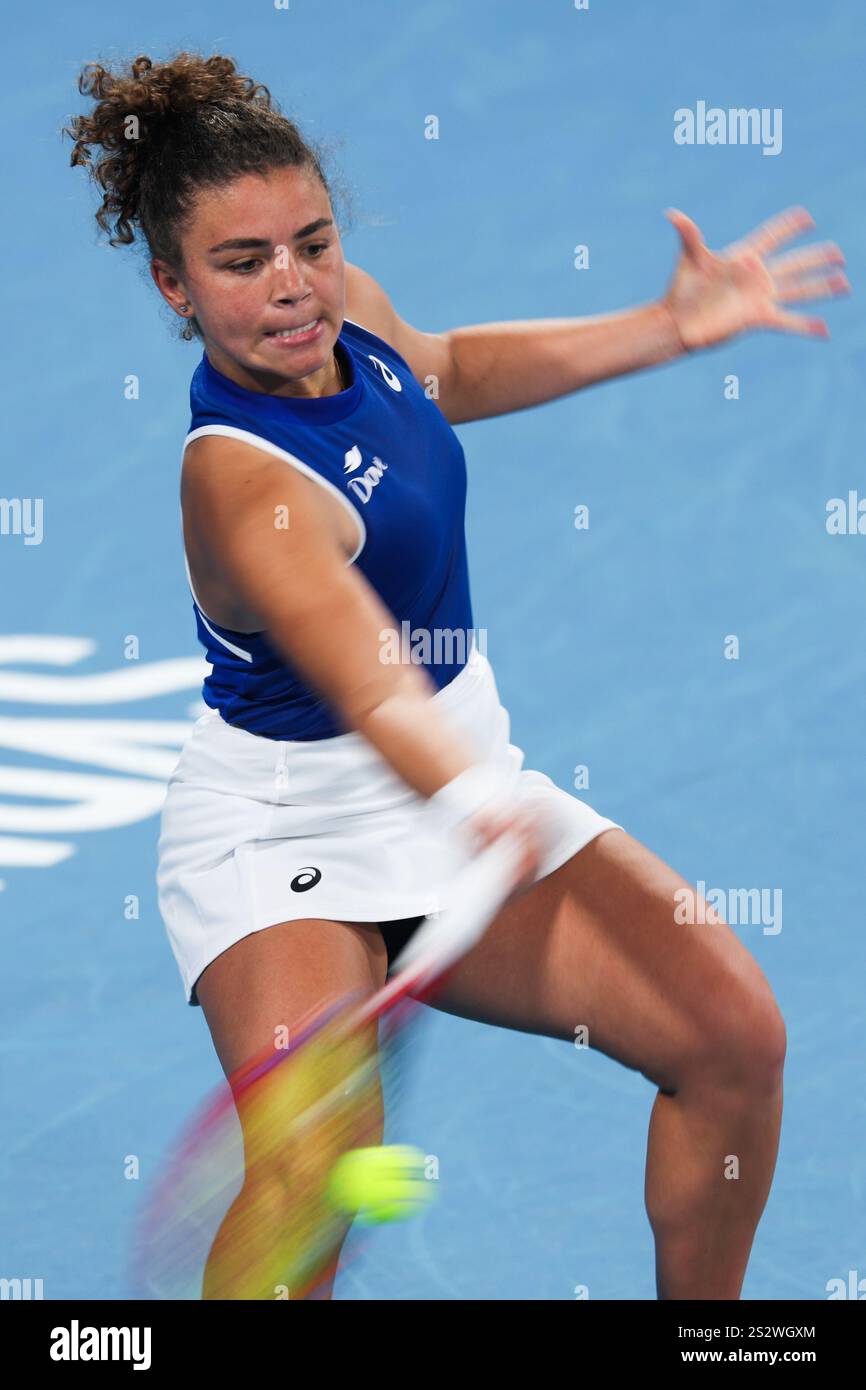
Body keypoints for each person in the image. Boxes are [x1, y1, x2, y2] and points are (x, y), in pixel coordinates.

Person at [66, 50, 847, 1300]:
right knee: (314, 1174)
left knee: (730, 1036)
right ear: (172, 281)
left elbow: (443, 375)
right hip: (286, 835)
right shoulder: (241, 482)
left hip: (461, 785)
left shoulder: (345, 315)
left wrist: (665, 326)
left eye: (310, 243)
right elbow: (374, 687)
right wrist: (474, 796)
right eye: (241, 262)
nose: (292, 287)